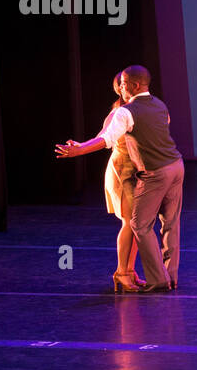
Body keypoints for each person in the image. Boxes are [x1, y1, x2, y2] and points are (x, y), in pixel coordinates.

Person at [53, 72, 147, 292]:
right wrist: (81, 148)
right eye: (122, 86)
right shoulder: (120, 112)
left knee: (135, 226)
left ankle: (130, 271)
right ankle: (122, 272)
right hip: (123, 171)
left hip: (134, 170)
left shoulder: (139, 110)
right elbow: (104, 137)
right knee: (129, 223)